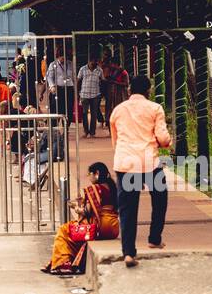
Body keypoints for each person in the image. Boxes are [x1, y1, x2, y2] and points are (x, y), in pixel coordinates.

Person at [110, 74, 172, 268]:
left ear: (129, 90)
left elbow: (116, 139)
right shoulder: (155, 108)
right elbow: (163, 138)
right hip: (149, 163)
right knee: (160, 197)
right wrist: (167, 143)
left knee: (128, 208)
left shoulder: (118, 110)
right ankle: (154, 237)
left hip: (126, 162)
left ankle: (128, 252)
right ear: (148, 91)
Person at [43, 162, 119, 274]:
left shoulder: (94, 189)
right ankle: (65, 261)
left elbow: (87, 212)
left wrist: (76, 208)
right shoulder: (113, 188)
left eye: (89, 174)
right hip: (113, 228)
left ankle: (63, 262)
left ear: (96, 173)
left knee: (64, 230)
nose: (89, 177)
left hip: (100, 227)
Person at [78, 55, 104, 138]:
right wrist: (77, 93)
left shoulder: (99, 70)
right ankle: (86, 131)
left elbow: (102, 81)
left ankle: (92, 132)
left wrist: (101, 93)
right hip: (84, 94)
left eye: (95, 61)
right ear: (89, 61)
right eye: (92, 61)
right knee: (84, 113)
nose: (94, 63)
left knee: (94, 114)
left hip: (95, 94)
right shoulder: (83, 69)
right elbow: (78, 80)